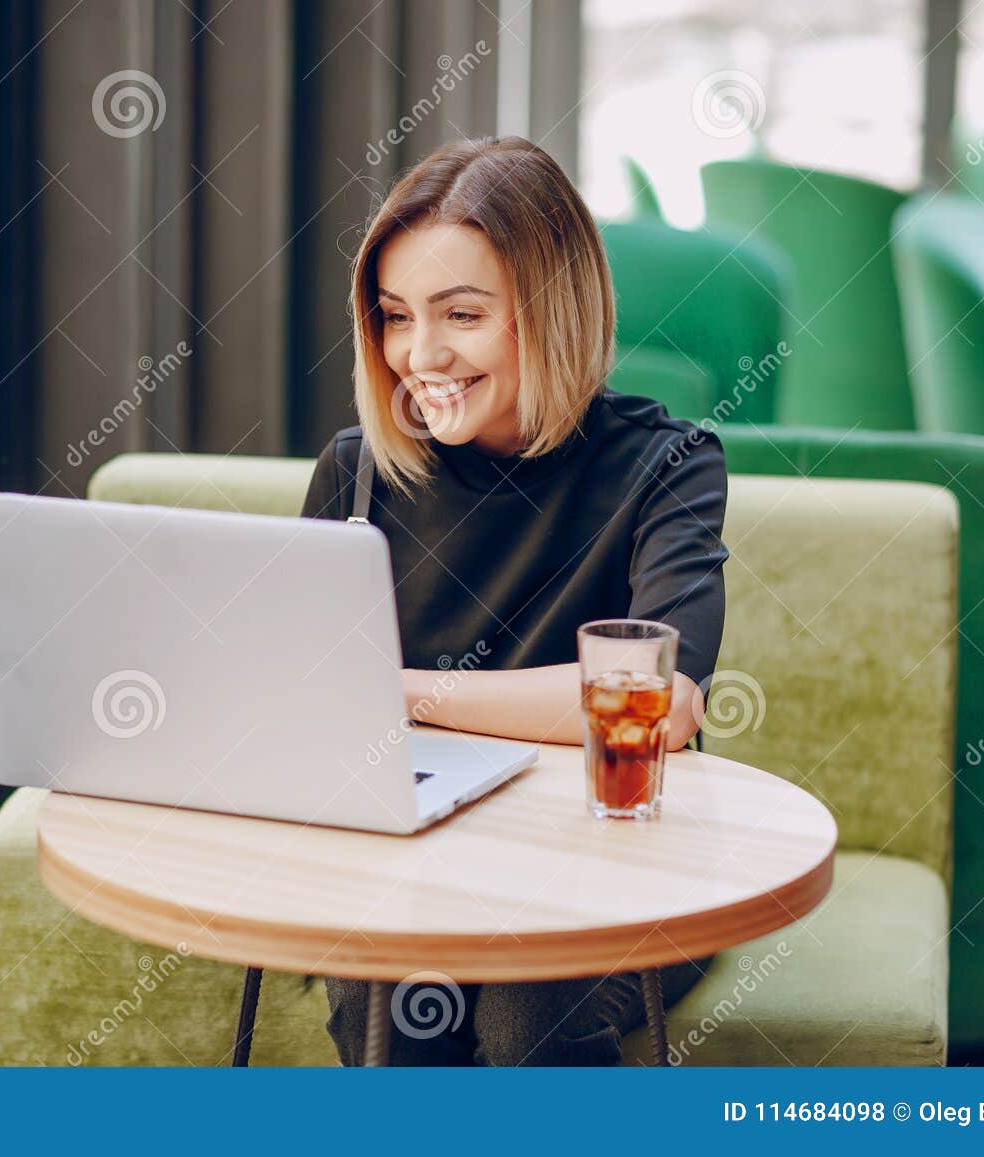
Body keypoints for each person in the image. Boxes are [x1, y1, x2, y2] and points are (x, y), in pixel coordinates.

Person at [299, 135, 727, 1066]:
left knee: (527, 1016)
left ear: (553, 308)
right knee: (391, 1000)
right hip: (413, 860)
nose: (420, 353)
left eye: (461, 313)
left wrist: (397, 689)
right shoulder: (358, 474)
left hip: (611, 871)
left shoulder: (665, 466)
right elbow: (310, 694)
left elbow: (666, 705)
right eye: (395, 314)